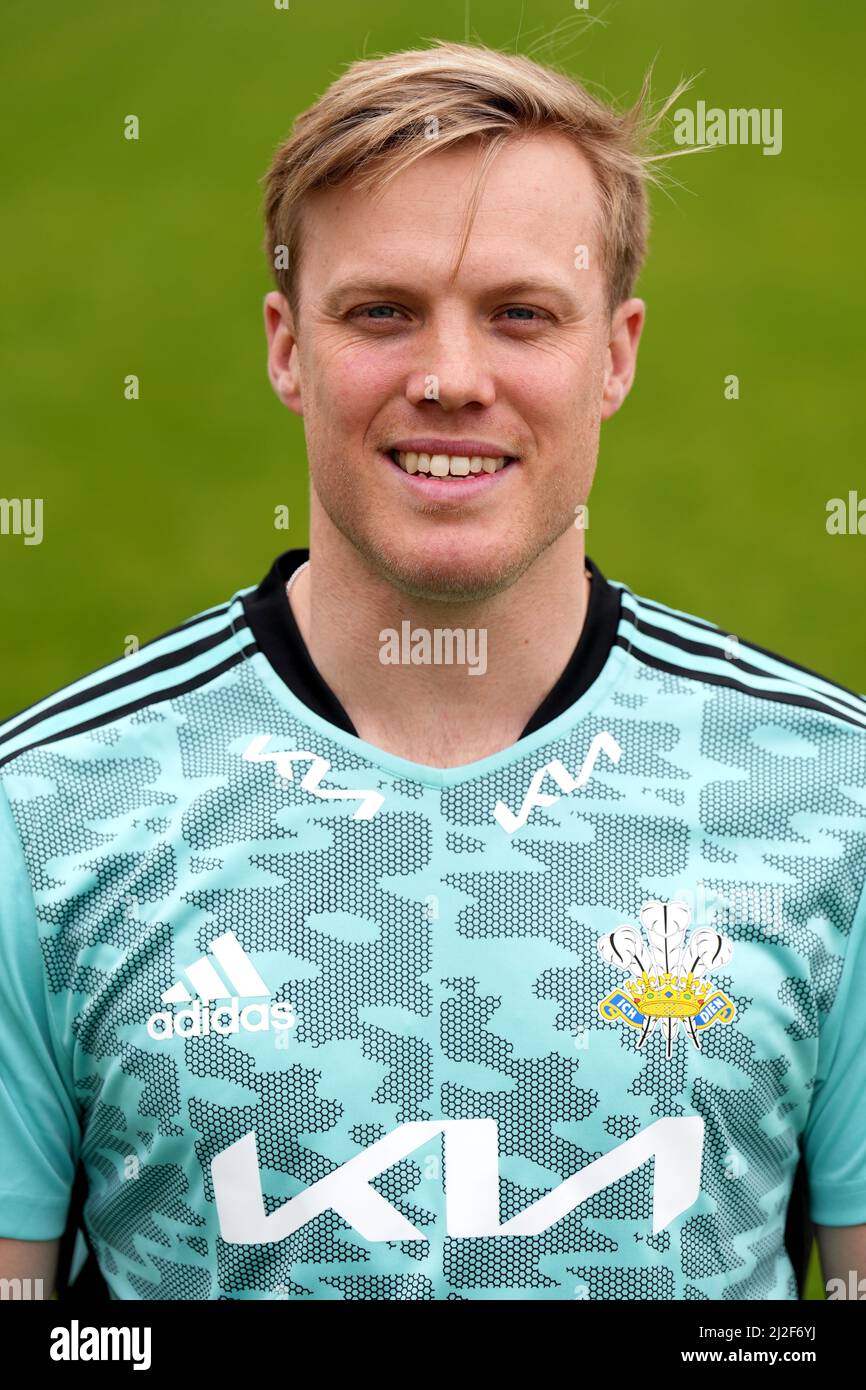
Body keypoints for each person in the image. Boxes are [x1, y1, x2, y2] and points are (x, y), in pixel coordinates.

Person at [1, 40, 864, 1302]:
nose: (449, 380)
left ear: (614, 353)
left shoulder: (827, 800)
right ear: (286, 347)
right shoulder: (48, 816)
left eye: (519, 314)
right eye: (381, 312)